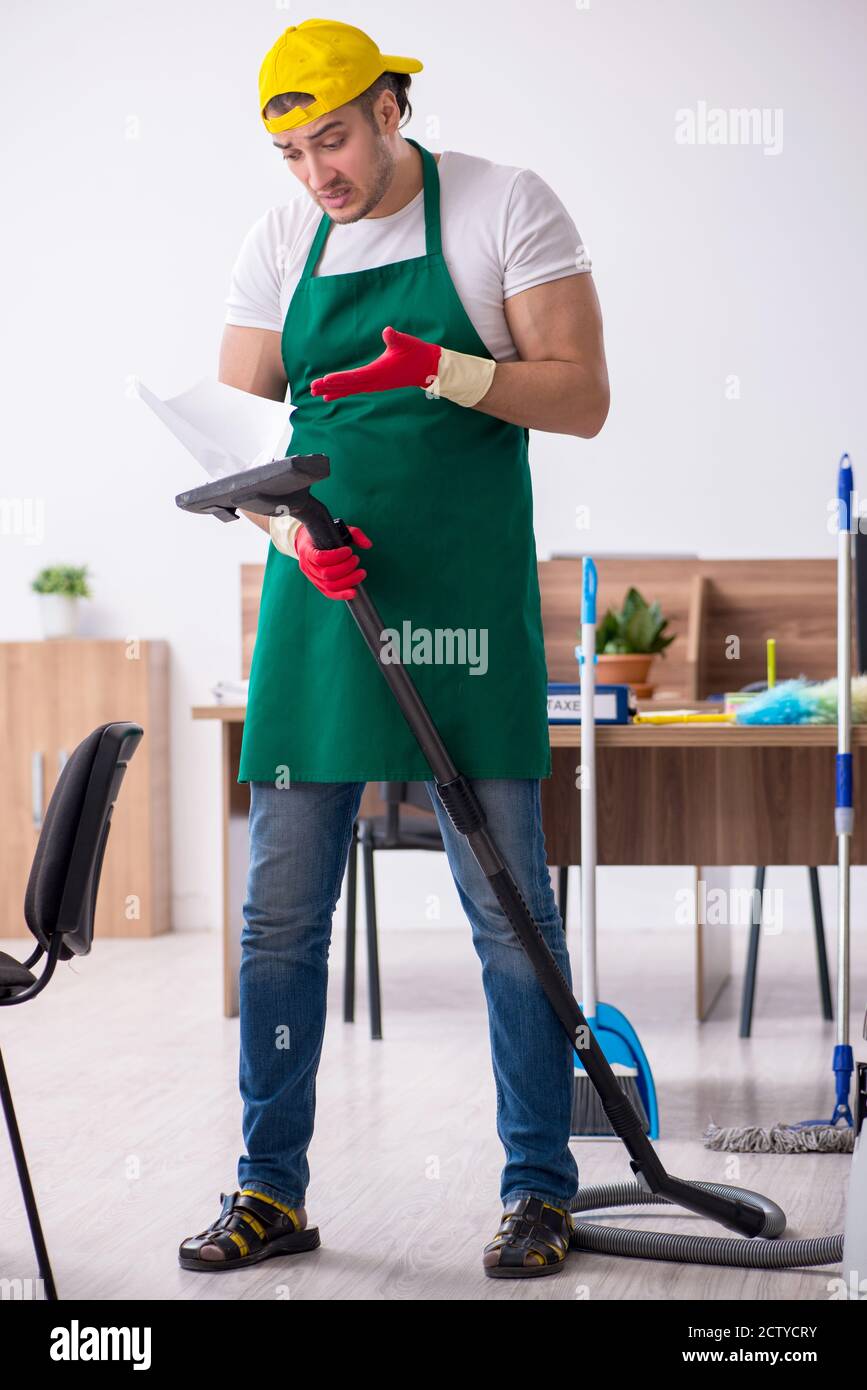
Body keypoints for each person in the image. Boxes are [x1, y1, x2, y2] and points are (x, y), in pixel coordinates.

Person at [179, 17, 609, 1280]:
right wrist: (283, 528)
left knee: (510, 913)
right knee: (278, 922)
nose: (319, 173)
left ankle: (540, 1189)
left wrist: (452, 372)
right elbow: (238, 428)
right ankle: (271, 1190)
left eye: (334, 139)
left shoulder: (502, 207)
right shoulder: (283, 240)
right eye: (292, 152)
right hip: (322, 596)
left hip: (464, 607)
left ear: (390, 108)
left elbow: (581, 395)